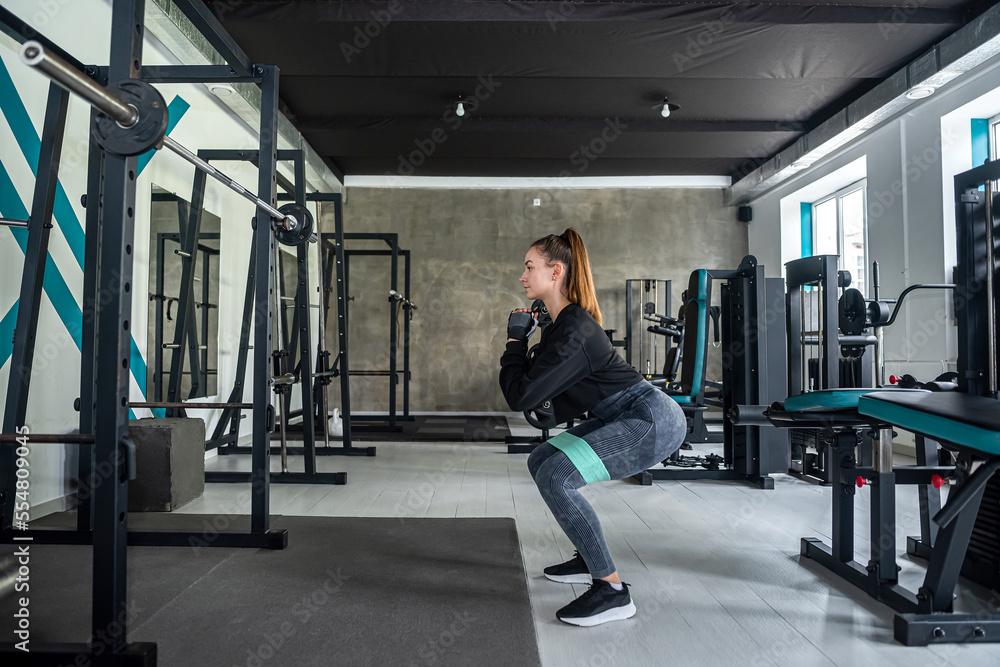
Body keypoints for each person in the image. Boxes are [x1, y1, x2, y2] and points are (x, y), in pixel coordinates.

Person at [499, 228, 686, 627]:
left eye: (529, 267)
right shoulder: (559, 325)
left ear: (556, 272)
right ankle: (588, 556)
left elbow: (520, 395)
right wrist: (528, 340)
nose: (522, 276)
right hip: (620, 416)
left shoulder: (575, 330)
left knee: (557, 475)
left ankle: (612, 590)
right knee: (542, 458)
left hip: (649, 419)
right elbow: (538, 397)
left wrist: (515, 341)